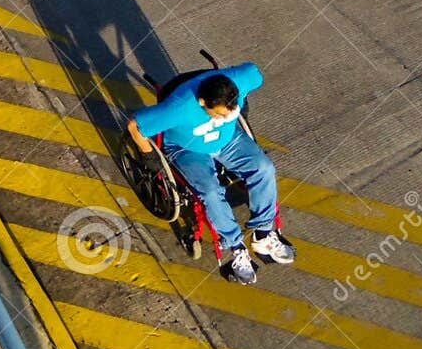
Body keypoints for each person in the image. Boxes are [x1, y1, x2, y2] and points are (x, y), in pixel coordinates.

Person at [126, 62, 295, 284]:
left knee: (264, 168)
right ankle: (235, 244)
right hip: (188, 148)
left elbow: (255, 72)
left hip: (228, 140)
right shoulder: (179, 108)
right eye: (221, 114)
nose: (228, 116)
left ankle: (263, 234)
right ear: (203, 103)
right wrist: (150, 158)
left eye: (232, 110)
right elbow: (134, 126)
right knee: (211, 192)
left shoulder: (238, 81)